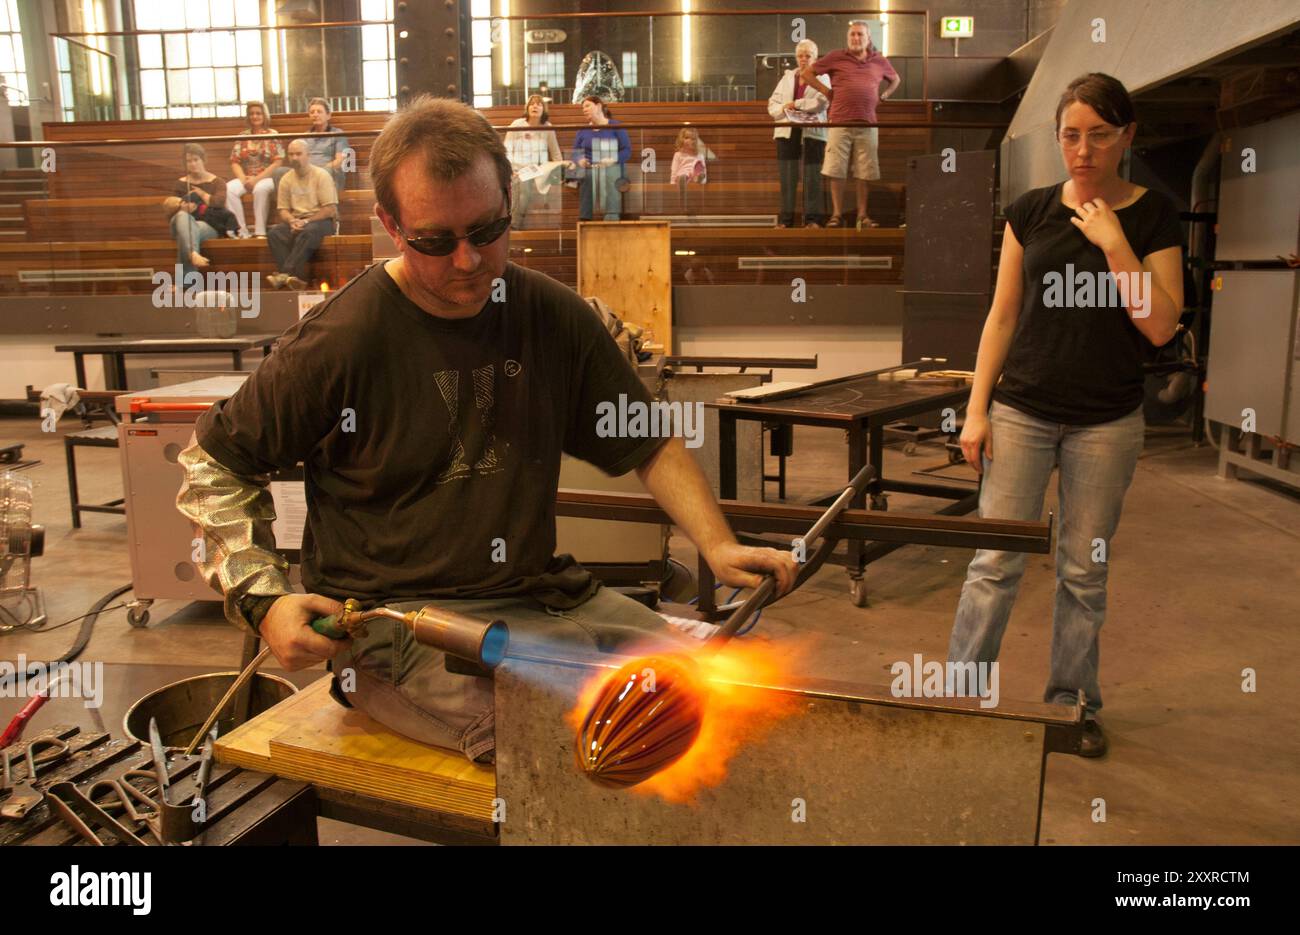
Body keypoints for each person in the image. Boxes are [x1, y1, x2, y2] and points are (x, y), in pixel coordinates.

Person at [176, 96, 796, 763]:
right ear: (390, 224)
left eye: (487, 229)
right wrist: (264, 598)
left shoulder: (551, 316)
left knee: (722, 683)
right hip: (398, 631)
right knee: (583, 737)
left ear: (509, 197)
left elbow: (647, 436)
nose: (469, 260)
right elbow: (214, 463)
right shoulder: (341, 340)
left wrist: (718, 544)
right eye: (436, 241)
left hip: (541, 595)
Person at [947, 73, 1185, 757]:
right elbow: (1001, 315)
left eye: (1099, 135)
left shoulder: (1152, 217)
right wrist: (976, 409)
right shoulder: (1030, 211)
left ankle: (1069, 706)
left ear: (1127, 137)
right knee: (994, 562)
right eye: (1070, 136)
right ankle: (962, 698)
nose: (1083, 151)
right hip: (1021, 410)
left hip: (1106, 422)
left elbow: (1161, 325)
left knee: (1084, 570)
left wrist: (1115, 244)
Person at [799, 21, 900, 228]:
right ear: (848, 37)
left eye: (860, 35)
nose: (856, 38)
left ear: (868, 38)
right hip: (839, 122)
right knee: (836, 169)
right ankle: (837, 215)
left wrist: (885, 95)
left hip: (868, 123)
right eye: (852, 34)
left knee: (865, 171)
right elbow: (807, 74)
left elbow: (895, 79)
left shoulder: (879, 60)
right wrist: (826, 92)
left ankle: (862, 216)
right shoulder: (836, 56)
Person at [767, 38, 830, 228]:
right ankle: (786, 221)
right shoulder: (787, 78)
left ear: (815, 57)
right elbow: (772, 105)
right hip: (787, 131)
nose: (803, 59)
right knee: (787, 177)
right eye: (800, 56)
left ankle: (812, 220)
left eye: (808, 56)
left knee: (813, 176)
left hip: (813, 132)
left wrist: (796, 104)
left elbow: (821, 102)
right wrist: (785, 110)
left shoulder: (823, 77)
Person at [265, 138, 338, 290]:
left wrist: (305, 222)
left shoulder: (321, 175)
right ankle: (296, 280)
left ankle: (286, 274)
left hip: (321, 221)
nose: (294, 158)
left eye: (298, 154)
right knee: (274, 233)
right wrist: (292, 221)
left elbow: (329, 209)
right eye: (291, 155)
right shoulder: (286, 179)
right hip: (296, 221)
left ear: (308, 155)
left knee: (308, 231)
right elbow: (282, 209)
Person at [163, 143, 231, 277]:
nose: (193, 164)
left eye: (196, 160)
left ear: (203, 160)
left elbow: (218, 204)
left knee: (188, 232)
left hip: (207, 225)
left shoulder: (217, 182)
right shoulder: (179, 183)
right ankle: (193, 253)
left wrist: (202, 195)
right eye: (189, 161)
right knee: (183, 217)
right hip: (179, 223)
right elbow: (169, 211)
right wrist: (180, 207)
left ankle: (187, 272)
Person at [225, 100, 284, 238]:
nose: (255, 116)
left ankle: (260, 232)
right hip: (246, 177)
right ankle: (242, 231)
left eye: (258, 113)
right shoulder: (242, 136)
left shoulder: (272, 134)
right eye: (251, 114)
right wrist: (243, 179)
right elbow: (234, 161)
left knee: (260, 189)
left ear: (264, 116)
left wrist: (256, 179)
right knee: (229, 189)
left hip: (267, 178)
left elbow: (278, 162)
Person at [504, 94, 564, 230]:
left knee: (525, 184)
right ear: (527, 108)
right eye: (532, 104)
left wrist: (560, 169)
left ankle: (514, 225)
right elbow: (506, 150)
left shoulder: (547, 127)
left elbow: (555, 154)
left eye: (539, 104)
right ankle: (514, 225)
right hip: (516, 170)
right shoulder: (517, 124)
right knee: (521, 184)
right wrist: (510, 169)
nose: (535, 106)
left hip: (537, 170)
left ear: (543, 109)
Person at [273, 97, 350, 195]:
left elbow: (340, 161)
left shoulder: (338, 133)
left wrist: (318, 171)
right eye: (312, 112)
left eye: (319, 111)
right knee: (279, 172)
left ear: (328, 115)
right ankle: (286, 207)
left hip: (327, 172)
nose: (315, 114)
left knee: (327, 172)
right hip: (305, 172)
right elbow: (299, 160)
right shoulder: (305, 136)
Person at [573, 96, 631, 221]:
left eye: (587, 106)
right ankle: (585, 219)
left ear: (599, 106)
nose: (584, 109)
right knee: (586, 176)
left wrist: (612, 159)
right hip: (590, 168)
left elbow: (626, 151)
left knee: (610, 173)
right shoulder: (582, 130)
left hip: (612, 166)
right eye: (582, 107)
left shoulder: (615, 126)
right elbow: (575, 153)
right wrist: (580, 160)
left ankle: (611, 217)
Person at [669, 127, 717, 215]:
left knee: (698, 167)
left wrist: (703, 181)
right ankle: (683, 205)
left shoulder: (699, 155)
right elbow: (674, 170)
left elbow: (704, 169)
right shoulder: (678, 155)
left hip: (695, 177)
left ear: (695, 141)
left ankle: (699, 178)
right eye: (686, 138)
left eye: (692, 139)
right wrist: (672, 183)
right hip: (682, 178)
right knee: (683, 176)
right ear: (681, 140)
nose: (689, 141)